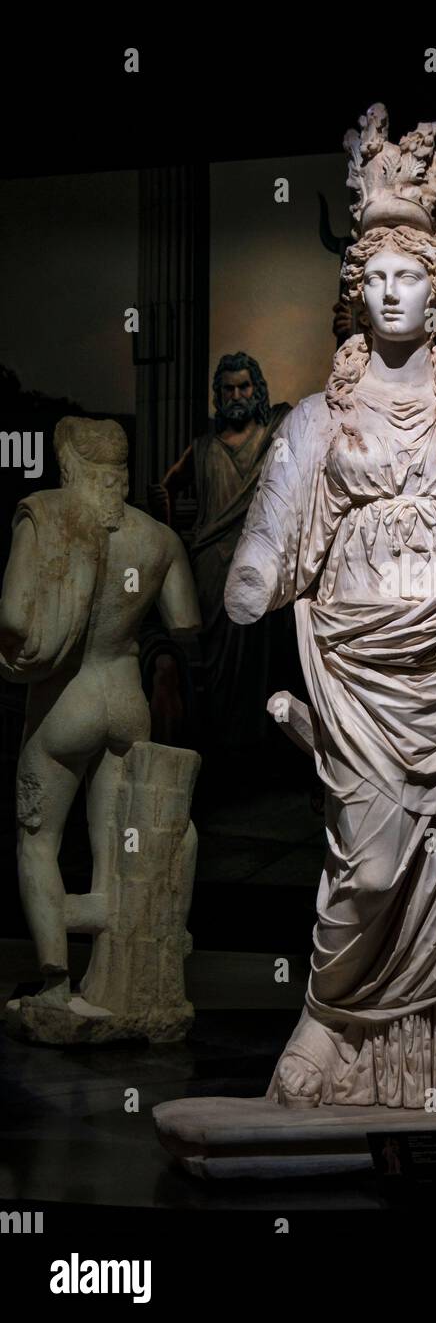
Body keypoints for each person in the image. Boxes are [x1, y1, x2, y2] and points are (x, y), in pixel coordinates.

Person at [223, 105, 436, 1113]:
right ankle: (332, 1017)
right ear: (355, 290)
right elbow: (262, 565)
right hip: (360, 669)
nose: (388, 292)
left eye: (407, 277)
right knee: (368, 862)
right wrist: (254, 567)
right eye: (372, 277)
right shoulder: (315, 418)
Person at [0, 418, 199, 1013]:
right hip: (124, 703)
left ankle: (58, 982)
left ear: (69, 467)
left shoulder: (47, 517)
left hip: (67, 705)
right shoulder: (158, 539)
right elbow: (187, 625)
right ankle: (114, 985)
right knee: (118, 845)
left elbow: (13, 617)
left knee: (39, 842)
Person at [149, 353, 291, 749]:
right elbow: (166, 487)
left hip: (259, 559)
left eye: (244, 386)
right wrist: (170, 525)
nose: (236, 395)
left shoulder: (276, 430)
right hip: (211, 565)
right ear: (219, 394)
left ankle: (255, 744)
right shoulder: (204, 447)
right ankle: (219, 742)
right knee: (214, 661)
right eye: (228, 388)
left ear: (257, 388)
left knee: (259, 656)